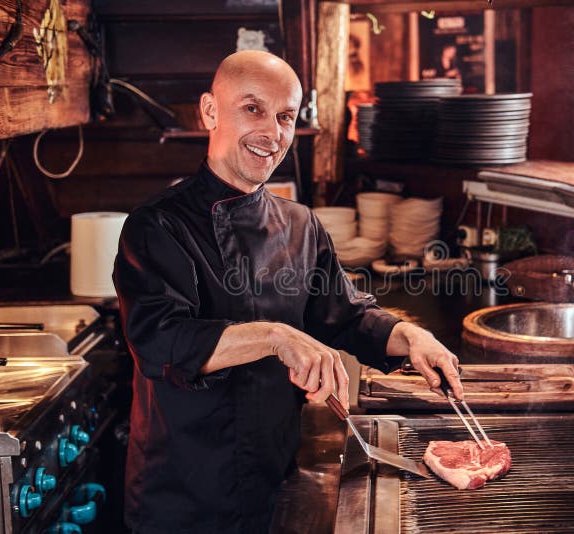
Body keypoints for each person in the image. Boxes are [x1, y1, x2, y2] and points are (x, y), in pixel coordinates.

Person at [112, 50, 464, 534]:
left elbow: (344, 314)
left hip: (275, 478)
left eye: (284, 116)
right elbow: (161, 342)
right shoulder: (158, 225)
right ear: (210, 111)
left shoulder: (299, 223)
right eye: (252, 109)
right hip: (184, 492)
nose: (273, 133)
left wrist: (410, 336)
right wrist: (276, 336)